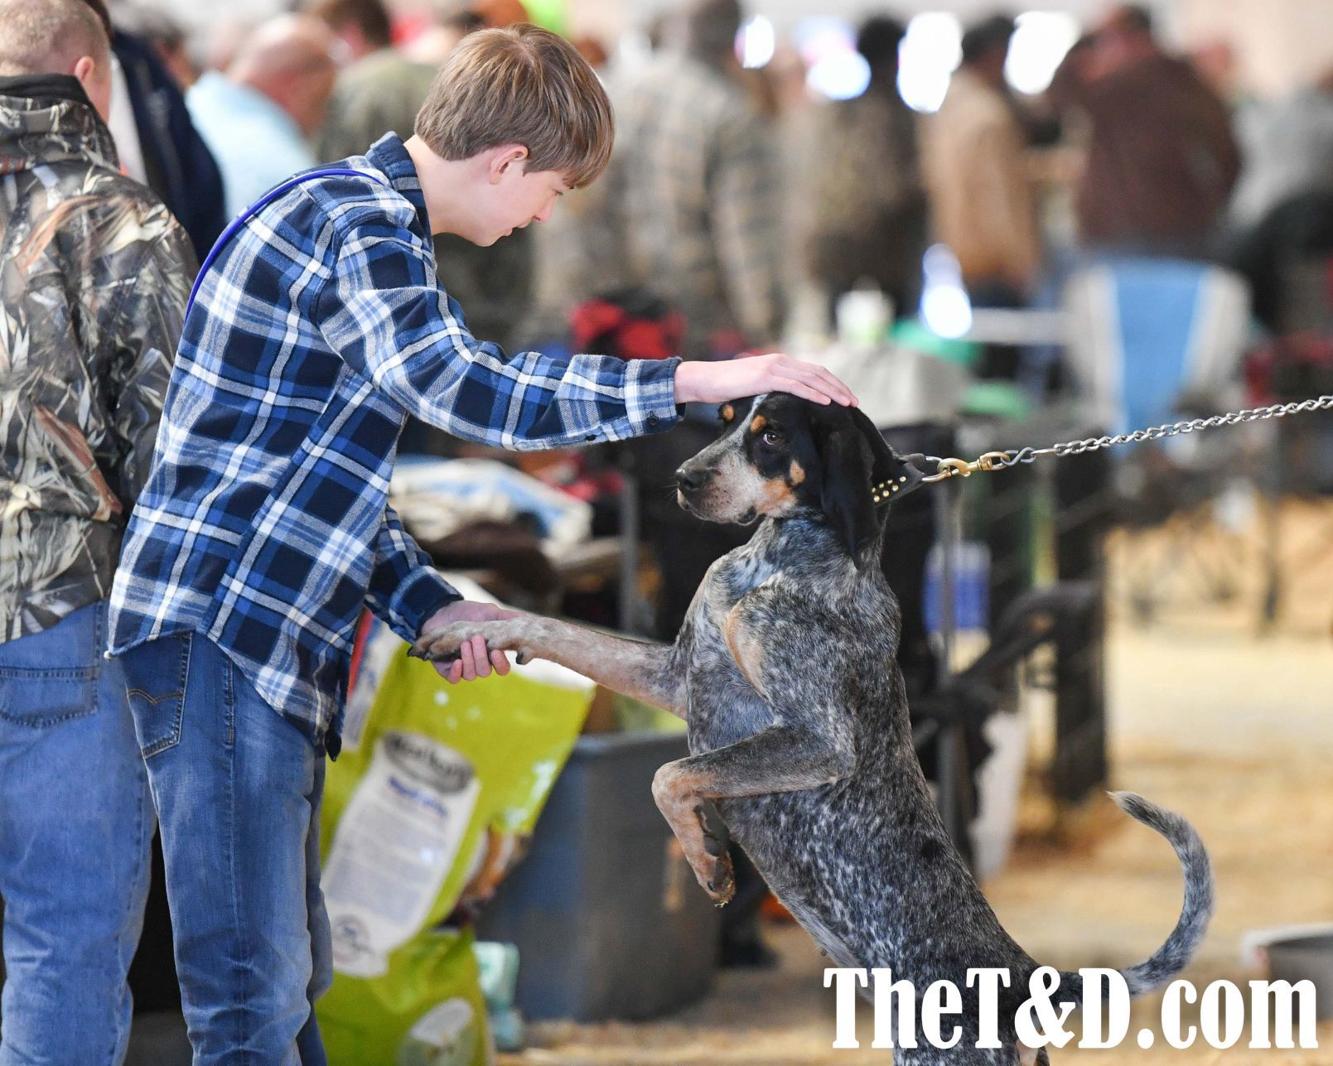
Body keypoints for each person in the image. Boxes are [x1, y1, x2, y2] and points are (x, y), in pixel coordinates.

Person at [105, 24, 853, 1062]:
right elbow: (467, 390)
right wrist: (698, 381)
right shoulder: (353, 225)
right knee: (247, 986)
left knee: (284, 977)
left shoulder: (364, 224)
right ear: (505, 162)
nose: (546, 215)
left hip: (252, 629)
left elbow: (318, 483)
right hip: (225, 631)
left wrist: (426, 606)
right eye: (549, 191)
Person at [0, 0, 194, 1062]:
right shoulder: (119, 222)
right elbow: (168, 459)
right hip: (52, 615)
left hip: (47, 619)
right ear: (88, 72)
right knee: (63, 942)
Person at [612, 0, 784, 361]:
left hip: (618, 307)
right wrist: (765, 328)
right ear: (734, 39)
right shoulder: (727, 112)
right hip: (696, 320)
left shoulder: (620, 93)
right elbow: (744, 232)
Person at [1049, 4, 1240, 259]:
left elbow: (1057, 95)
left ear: (1124, 39)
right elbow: (1230, 157)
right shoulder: (1190, 84)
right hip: (1188, 228)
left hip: (1118, 234)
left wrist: (1087, 38)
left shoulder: (1113, 89)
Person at [799, 15, 928, 321]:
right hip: (883, 255)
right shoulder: (891, 116)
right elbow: (894, 189)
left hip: (839, 251)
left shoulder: (837, 114)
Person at [922, 14, 1040, 316]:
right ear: (995, 54)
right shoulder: (987, 116)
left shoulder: (949, 108)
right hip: (996, 260)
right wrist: (1019, 260)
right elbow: (996, 195)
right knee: (1002, 351)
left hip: (964, 250)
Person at [186, 13, 340, 217]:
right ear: (300, 89)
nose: (324, 117)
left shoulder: (184, 106)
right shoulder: (290, 175)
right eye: (325, 100)